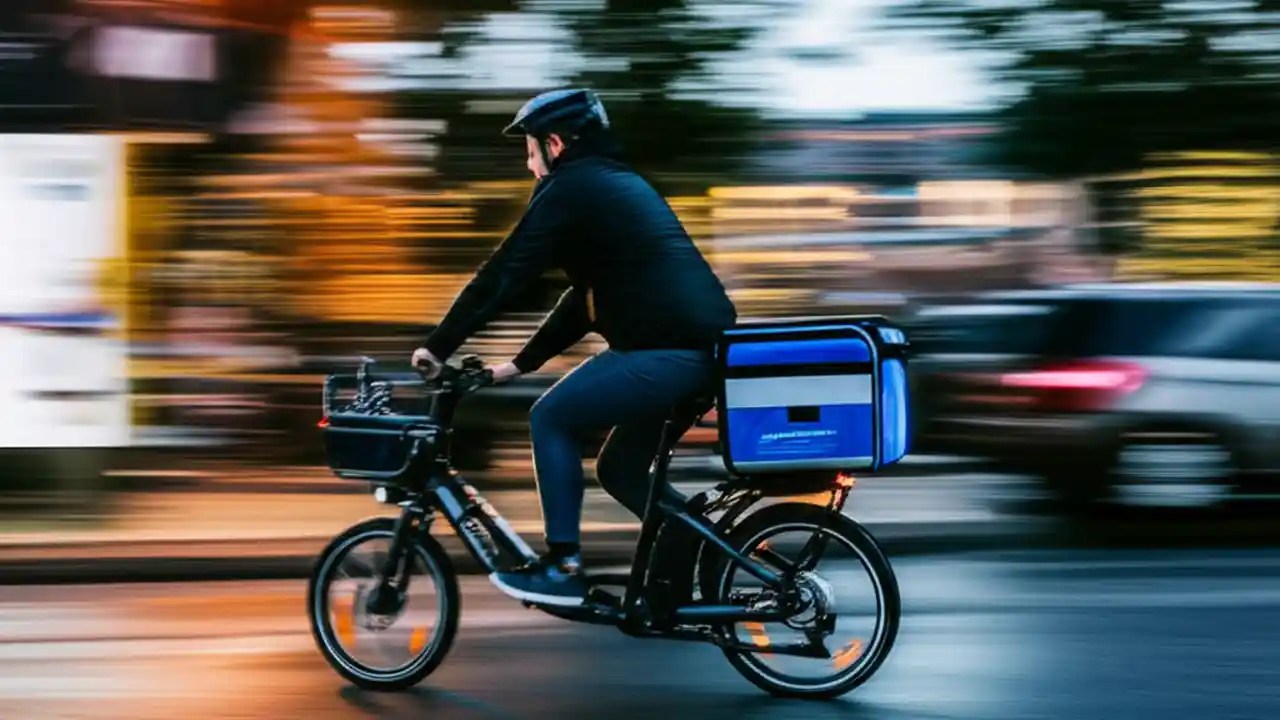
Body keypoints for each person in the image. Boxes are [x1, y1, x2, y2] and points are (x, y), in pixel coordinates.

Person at [411, 88, 736, 606]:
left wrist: (437, 345)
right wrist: (517, 364)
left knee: (551, 418)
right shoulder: (609, 183)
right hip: (694, 355)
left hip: (668, 355)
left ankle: (562, 565)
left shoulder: (572, 187)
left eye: (530, 149)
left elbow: (506, 273)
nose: (529, 163)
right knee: (619, 471)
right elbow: (583, 303)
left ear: (556, 144)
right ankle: (694, 547)